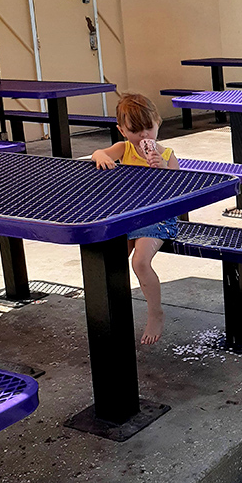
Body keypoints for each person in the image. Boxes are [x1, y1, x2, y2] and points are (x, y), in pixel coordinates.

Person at [91, 93, 179, 346]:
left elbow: (179, 189)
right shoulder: (124, 149)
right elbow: (99, 152)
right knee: (111, 257)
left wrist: (162, 169)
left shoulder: (167, 154)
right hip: (129, 215)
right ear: (121, 130)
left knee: (140, 261)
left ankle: (155, 313)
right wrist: (102, 156)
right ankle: (113, 315)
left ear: (158, 123)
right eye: (135, 130)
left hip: (159, 216)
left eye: (148, 128)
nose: (144, 137)